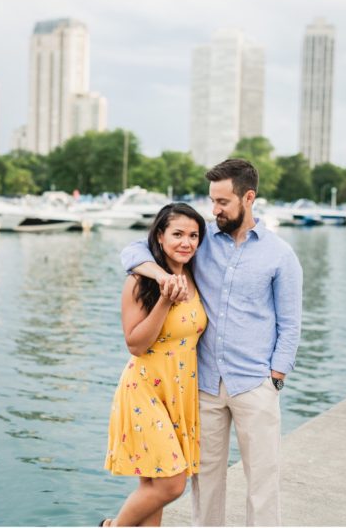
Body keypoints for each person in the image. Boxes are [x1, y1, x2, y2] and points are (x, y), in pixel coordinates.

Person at [121, 158, 303, 526]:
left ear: (248, 198)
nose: (214, 210)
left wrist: (276, 378)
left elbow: (291, 325)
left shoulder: (280, 255)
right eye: (212, 201)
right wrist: (161, 277)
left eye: (222, 202)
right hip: (202, 386)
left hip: (254, 384)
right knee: (205, 482)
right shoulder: (200, 239)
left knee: (262, 483)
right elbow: (132, 251)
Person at [102, 203, 207, 527]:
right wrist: (164, 299)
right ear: (160, 236)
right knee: (171, 483)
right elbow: (135, 344)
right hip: (144, 391)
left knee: (153, 483)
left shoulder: (195, 272)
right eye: (177, 234)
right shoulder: (139, 282)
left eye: (193, 235)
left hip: (179, 394)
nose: (186, 242)